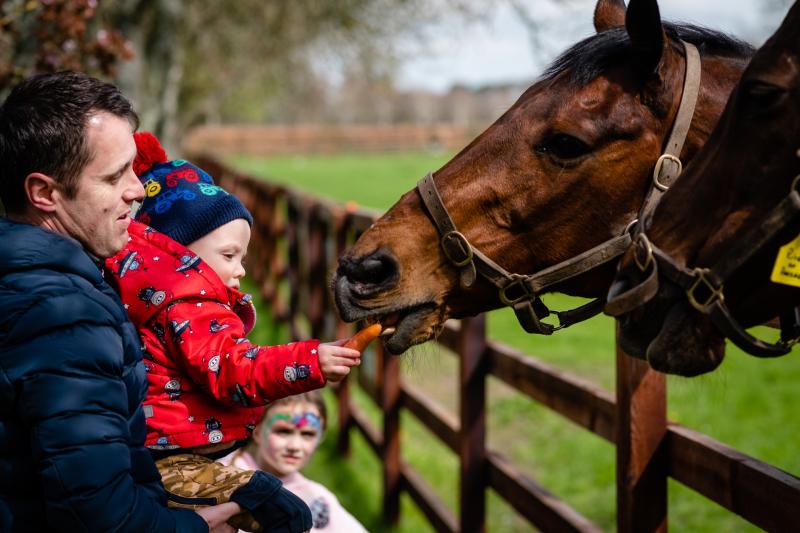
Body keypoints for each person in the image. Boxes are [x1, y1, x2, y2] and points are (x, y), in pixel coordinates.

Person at [0, 71, 240, 532]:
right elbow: (101, 517)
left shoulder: (31, 280)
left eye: (133, 168)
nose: (137, 188)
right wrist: (202, 526)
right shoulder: (61, 317)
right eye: (113, 177)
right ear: (45, 193)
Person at [104, 132, 362, 531]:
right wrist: (311, 361)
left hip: (163, 448)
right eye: (229, 255)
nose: (240, 270)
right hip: (172, 458)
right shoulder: (188, 304)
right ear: (181, 253)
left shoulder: (157, 297)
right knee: (286, 512)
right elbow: (233, 369)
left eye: (242, 256)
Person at [220, 392, 368, 533]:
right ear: (257, 431)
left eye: (308, 434)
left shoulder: (316, 498)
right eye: (283, 431)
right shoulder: (221, 476)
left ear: (320, 437)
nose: (295, 446)